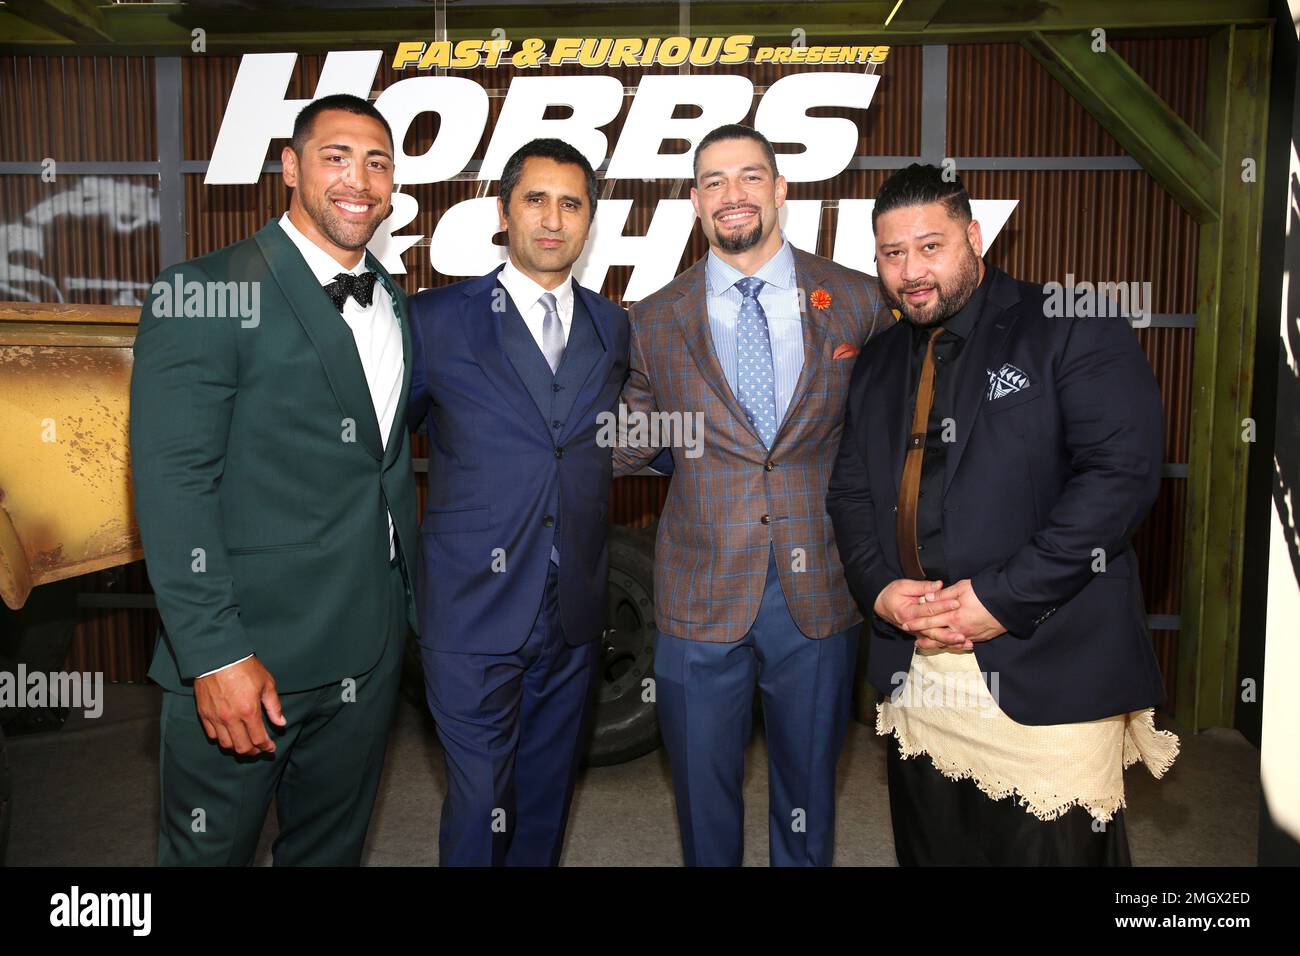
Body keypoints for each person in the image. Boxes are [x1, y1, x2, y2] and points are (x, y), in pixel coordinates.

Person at [826, 162, 1179, 866]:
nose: (912, 271)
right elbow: (851, 494)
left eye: (932, 246)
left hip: (1050, 664)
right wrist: (881, 590)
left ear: (975, 237)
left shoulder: (1070, 322)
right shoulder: (876, 360)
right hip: (921, 670)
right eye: (893, 254)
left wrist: (1002, 598)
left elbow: (1120, 476)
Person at [131, 93, 418, 865]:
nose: (359, 179)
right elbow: (172, 486)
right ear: (290, 167)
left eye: (378, 163)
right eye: (336, 157)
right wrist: (215, 656)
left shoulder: (393, 299)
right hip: (251, 657)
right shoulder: (207, 292)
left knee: (330, 851)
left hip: (368, 647)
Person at [613, 124, 894, 866]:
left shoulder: (860, 303)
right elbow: (629, 439)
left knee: (809, 791)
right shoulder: (652, 318)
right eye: (712, 181)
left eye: (747, 177)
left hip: (821, 586)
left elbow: (890, 435)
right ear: (696, 202)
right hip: (698, 587)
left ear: (779, 189)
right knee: (702, 793)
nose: (731, 195)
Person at [407, 138, 629, 866]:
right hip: (471, 604)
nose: (552, 219)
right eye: (536, 199)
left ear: (589, 222)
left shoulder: (610, 324)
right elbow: (376, 449)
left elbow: (603, 439)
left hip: (573, 607)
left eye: (571, 204)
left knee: (544, 793)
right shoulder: (435, 318)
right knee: (478, 796)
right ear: (504, 211)